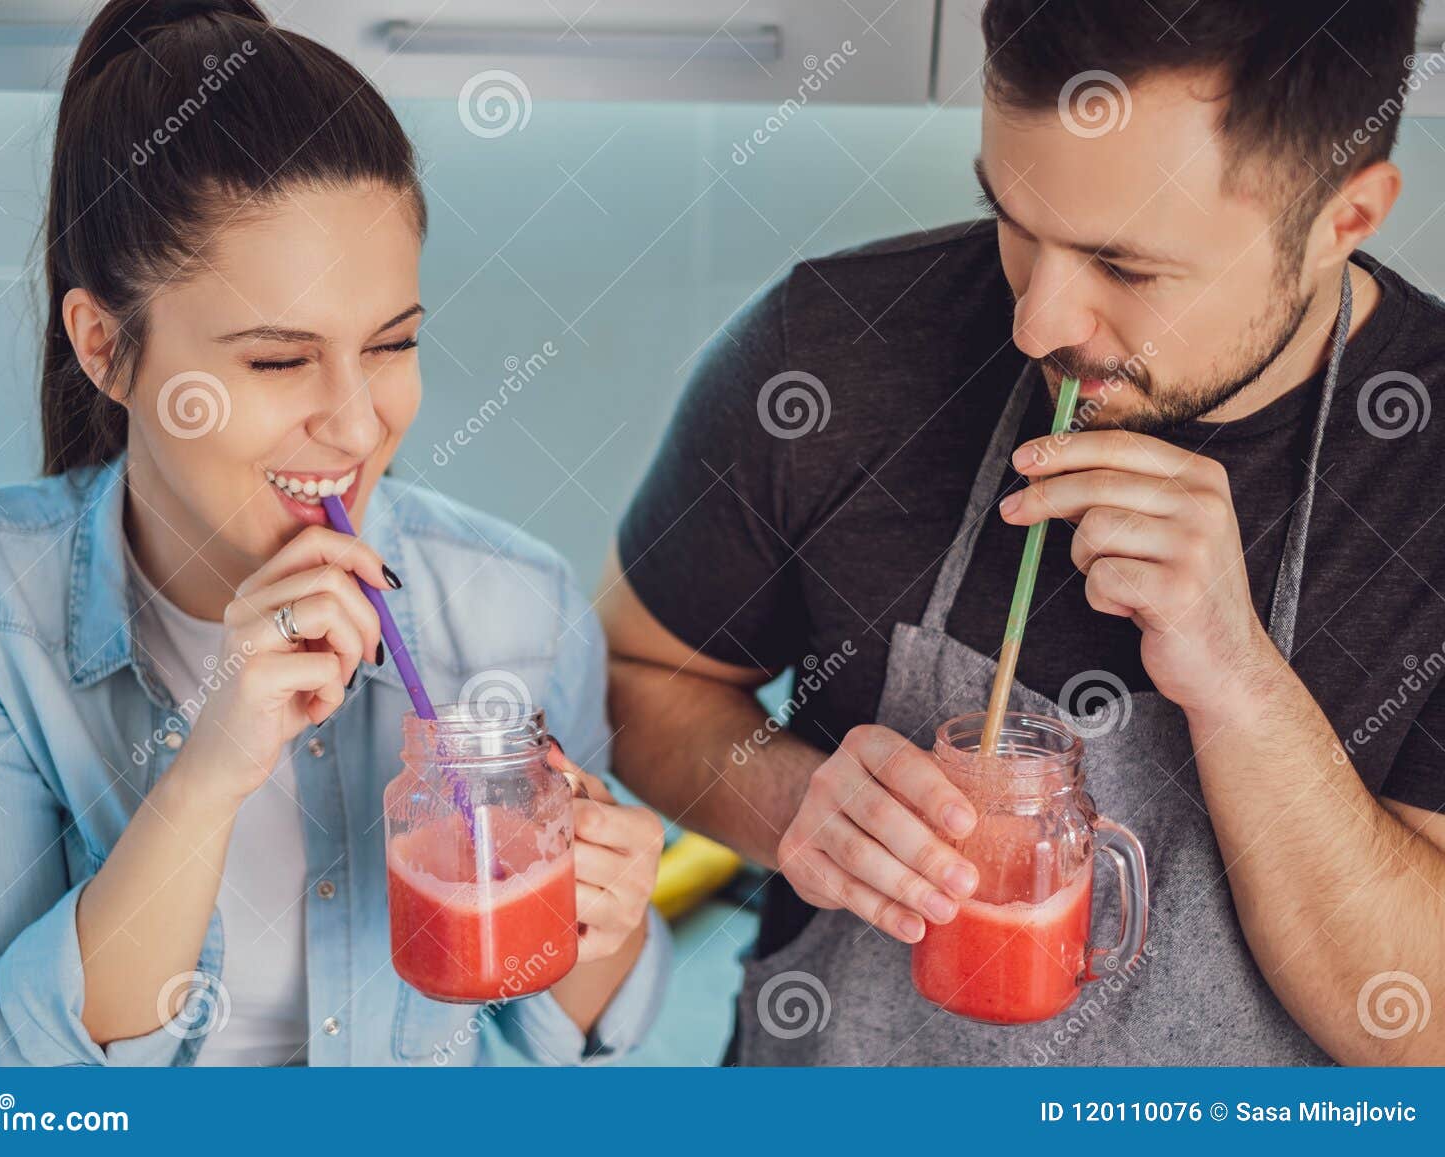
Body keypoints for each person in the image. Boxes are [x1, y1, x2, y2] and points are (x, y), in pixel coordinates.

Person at [601, 0, 1445, 1065]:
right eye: (1010, 215)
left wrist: (1240, 682)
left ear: (1344, 217)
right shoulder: (821, 355)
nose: (1037, 324)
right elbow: (637, 674)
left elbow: (1422, 1027)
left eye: (1125, 267)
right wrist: (788, 802)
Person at [0, 0, 668, 1067]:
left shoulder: (515, 604)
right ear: (105, 345)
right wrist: (211, 768)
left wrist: (597, 910)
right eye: (278, 361)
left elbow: (557, 1040)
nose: (352, 421)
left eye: (389, 345)